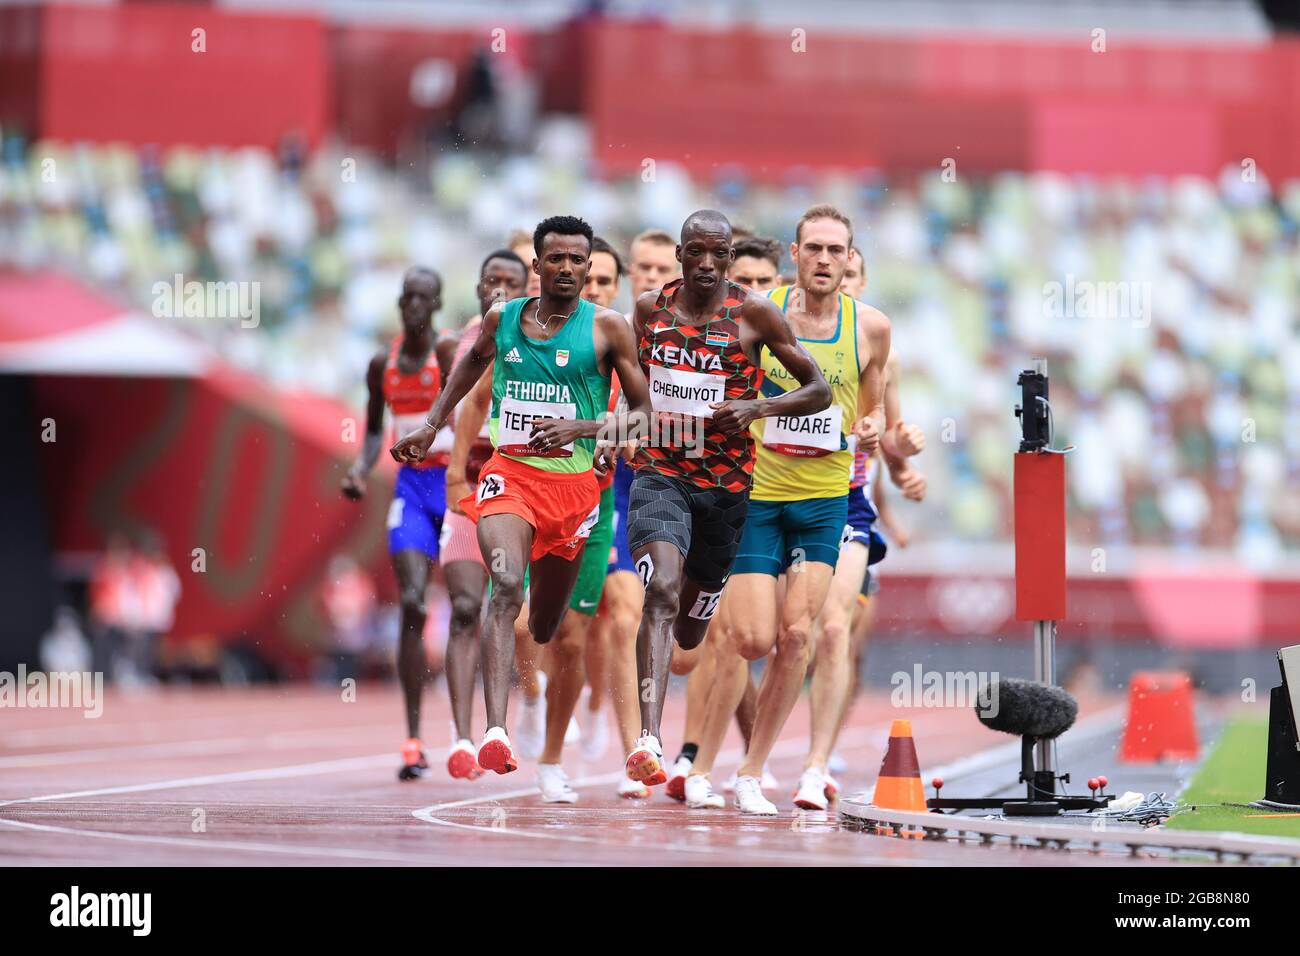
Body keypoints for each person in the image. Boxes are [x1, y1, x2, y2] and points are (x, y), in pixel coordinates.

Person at [391, 215, 653, 791]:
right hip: (509, 477)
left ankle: (534, 687)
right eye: (554, 259)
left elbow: (643, 412)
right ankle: (495, 730)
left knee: (547, 622)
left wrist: (581, 427)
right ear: (536, 266)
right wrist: (433, 423)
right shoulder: (503, 319)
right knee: (505, 585)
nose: (565, 269)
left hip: (576, 491)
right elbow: (471, 366)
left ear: (589, 267)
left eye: (576, 260)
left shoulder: (609, 329)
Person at [683, 205, 892, 814]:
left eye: (837, 250)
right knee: (750, 639)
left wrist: (875, 427)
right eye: (814, 249)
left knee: (799, 635)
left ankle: (751, 772)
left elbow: (871, 405)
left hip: (825, 502)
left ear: (850, 258)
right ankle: (702, 759)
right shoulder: (759, 313)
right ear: (795, 256)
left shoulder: (871, 327)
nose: (825, 260)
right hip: (759, 495)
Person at [622, 209, 831, 790]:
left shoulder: (754, 313)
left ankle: (698, 609)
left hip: (727, 488)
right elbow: (633, 385)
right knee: (659, 588)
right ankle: (649, 738)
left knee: (690, 631)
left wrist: (757, 407)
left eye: (720, 253)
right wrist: (613, 431)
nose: (708, 264)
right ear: (683, 253)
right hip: (661, 472)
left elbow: (818, 391)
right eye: (697, 252)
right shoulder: (648, 310)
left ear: (730, 255)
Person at [341, 266, 456, 780]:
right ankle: (413, 739)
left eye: (422, 298)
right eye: (406, 297)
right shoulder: (380, 365)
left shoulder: (451, 356)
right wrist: (361, 469)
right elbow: (371, 432)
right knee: (411, 600)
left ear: (435, 306)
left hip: (455, 490)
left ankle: (467, 733)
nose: (413, 306)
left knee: (469, 605)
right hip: (410, 492)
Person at [439, 249, 529, 779]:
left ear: (526, 286)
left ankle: (530, 710)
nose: (497, 288)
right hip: (470, 484)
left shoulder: (537, 336)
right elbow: (458, 407)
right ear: (476, 286)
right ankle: (461, 736)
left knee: (517, 611)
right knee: (466, 604)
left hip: (520, 487)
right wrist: (453, 471)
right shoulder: (458, 343)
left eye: (509, 281)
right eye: (489, 279)